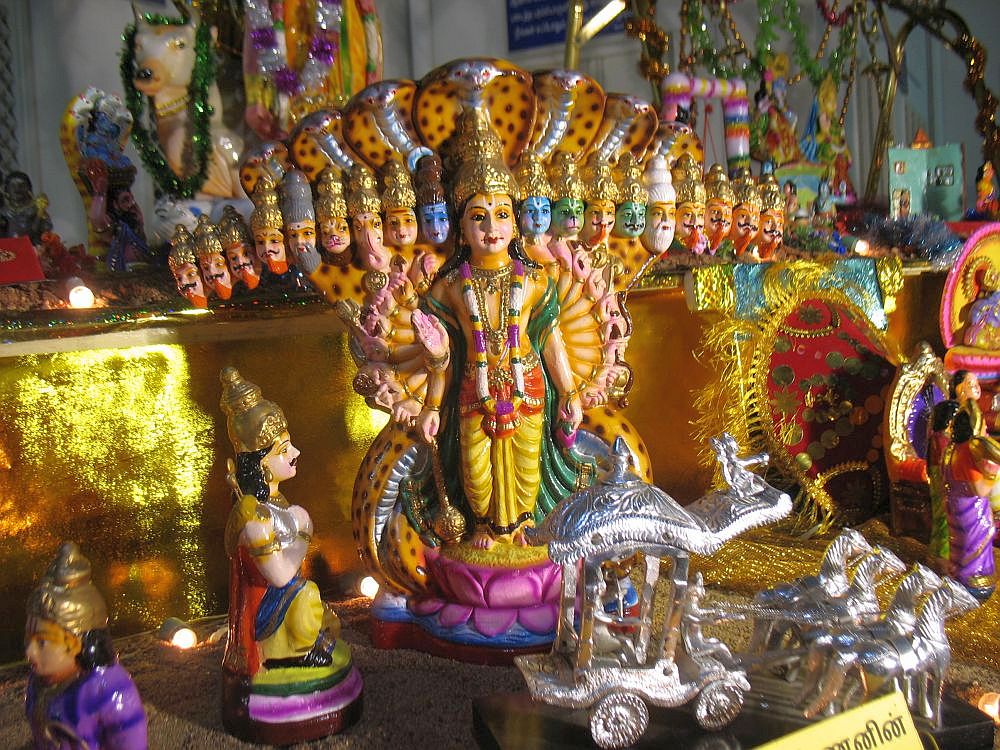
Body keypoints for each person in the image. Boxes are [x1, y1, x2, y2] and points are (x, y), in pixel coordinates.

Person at [412, 109, 586, 549]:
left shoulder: (533, 280)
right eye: (479, 217)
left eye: (502, 215)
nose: (492, 228)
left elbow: (550, 340)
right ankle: (485, 527)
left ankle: (523, 526)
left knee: (527, 461)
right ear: (460, 226)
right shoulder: (451, 287)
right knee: (476, 466)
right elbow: (444, 360)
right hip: (475, 385)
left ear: (516, 222)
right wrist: (432, 406)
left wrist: (568, 392)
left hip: (526, 380)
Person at [219, 367, 362, 740]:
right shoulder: (254, 519)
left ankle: (299, 646)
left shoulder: (276, 503)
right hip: (266, 611)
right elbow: (281, 576)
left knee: (324, 618)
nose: (295, 453)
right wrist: (302, 532)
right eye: (284, 450)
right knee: (309, 597)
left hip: (281, 602)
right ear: (261, 464)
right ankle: (287, 655)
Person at [24, 542, 147, 750]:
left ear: (78, 643)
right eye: (28, 639)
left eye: (42, 642)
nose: (29, 652)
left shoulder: (108, 689)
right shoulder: (39, 683)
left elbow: (130, 742)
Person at [941, 408, 1000, 601]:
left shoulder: (951, 447)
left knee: (959, 545)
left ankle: (959, 580)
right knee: (974, 547)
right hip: (970, 510)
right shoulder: (967, 450)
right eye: (983, 424)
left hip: (954, 504)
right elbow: (981, 490)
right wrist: (993, 474)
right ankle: (973, 586)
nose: (985, 428)